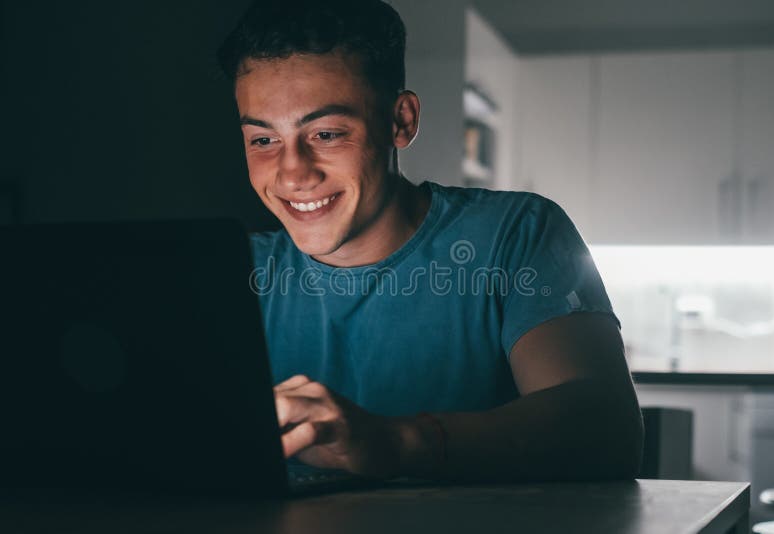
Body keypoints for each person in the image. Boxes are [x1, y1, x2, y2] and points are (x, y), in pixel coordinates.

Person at [217, 0, 643, 482]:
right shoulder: (238, 270)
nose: (292, 173)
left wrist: (397, 443)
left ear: (401, 121)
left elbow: (608, 431)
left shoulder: (517, 233)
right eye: (263, 141)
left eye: (327, 133)